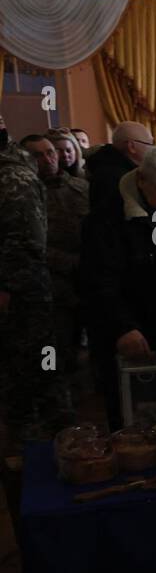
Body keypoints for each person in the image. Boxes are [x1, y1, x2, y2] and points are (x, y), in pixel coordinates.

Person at [80, 147, 156, 429]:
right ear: (142, 181)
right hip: (128, 336)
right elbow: (98, 282)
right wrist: (122, 327)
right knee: (132, 423)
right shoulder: (105, 221)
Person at [0, 122, 75, 448]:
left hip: (21, 295)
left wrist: (6, 288)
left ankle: (44, 453)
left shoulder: (12, 176)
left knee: (33, 374)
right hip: (22, 291)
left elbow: (27, 243)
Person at [20, 135, 89, 379]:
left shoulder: (81, 187)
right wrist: (67, 262)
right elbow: (26, 241)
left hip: (86, 280)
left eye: (50, 152)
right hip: (50, 284)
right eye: (38, 155)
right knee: (57, 350)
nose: (48, 159)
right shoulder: (23, 193)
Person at [84, 121, 153, 215]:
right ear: (131, 147)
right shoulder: (116, 177)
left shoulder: (108, 165)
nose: (152, 149)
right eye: (149, 144)